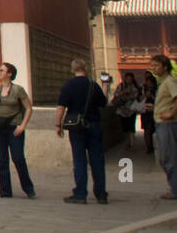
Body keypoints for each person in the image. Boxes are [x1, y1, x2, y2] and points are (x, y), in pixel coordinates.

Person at [55, 58, 108, 204]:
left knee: (79, 160)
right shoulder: (93, 85)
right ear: (86, 69)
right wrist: (105, 86)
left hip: (76, 126)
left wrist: (58, 125)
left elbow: (61, 107)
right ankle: (101, 194)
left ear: (72, 70)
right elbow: (103, 103)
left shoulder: (68, 85)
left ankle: (80, 193)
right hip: (94, 125)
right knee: (97, 160)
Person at [0, 61, 35, 198]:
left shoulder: (18, 90)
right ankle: (5, 190)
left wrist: (22, 126)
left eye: (2, 70)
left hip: (13, 127)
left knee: (18, 158)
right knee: (2, 159)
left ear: (10, 74)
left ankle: (28, 188)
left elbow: (28, 108)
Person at [147, 54, 177, 200]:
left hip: (168, 124)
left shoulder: (170, 81)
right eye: (152, 66)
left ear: (165, 67)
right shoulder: (163, 82)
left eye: (156, 65)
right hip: (161, 122)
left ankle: (175, 190)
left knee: (168, 158)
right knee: (165, 158)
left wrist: (171, 112)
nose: (153, 68)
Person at [110, 72, 142, 150]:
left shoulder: (135, 87)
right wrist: (124, 92)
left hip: (131, 110)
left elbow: (137, 96)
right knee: (125, 127)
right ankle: (127, 142)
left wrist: (129, 96)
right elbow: (116, 94)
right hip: (122, 110)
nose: (129, 80)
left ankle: (132, 143)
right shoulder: (121, 86)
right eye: (127, 79)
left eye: (130, 79)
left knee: (131, 127)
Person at [140, 72, 159, 155]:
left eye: (150, 83)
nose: (149, 84)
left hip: (155, 111)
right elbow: (138, 99)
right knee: (147, 129)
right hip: (145, 112)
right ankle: (149, 147)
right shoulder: (142, 89)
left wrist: (151, 96)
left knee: (154, 129)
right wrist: (145, 96)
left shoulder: (157, 89)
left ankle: (154, 146)